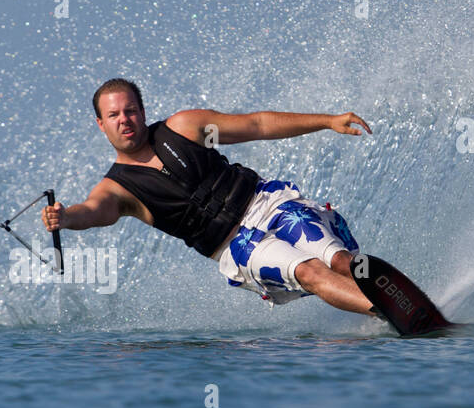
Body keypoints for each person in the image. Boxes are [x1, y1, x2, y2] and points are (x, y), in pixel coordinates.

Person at [42, 78, 378, 314]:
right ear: (101, 124)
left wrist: (327, 121)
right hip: (237, 246)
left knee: (339, 261)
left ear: (143, 112)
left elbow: (257, 125)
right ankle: (388, 313)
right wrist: (66, 217)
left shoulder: (184, 126)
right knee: (310, 272)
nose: (124, 120)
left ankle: (400, 298)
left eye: (130, 111)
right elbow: (92, 210)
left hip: (267, 203)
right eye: (113, 115)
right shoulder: (116, 189)